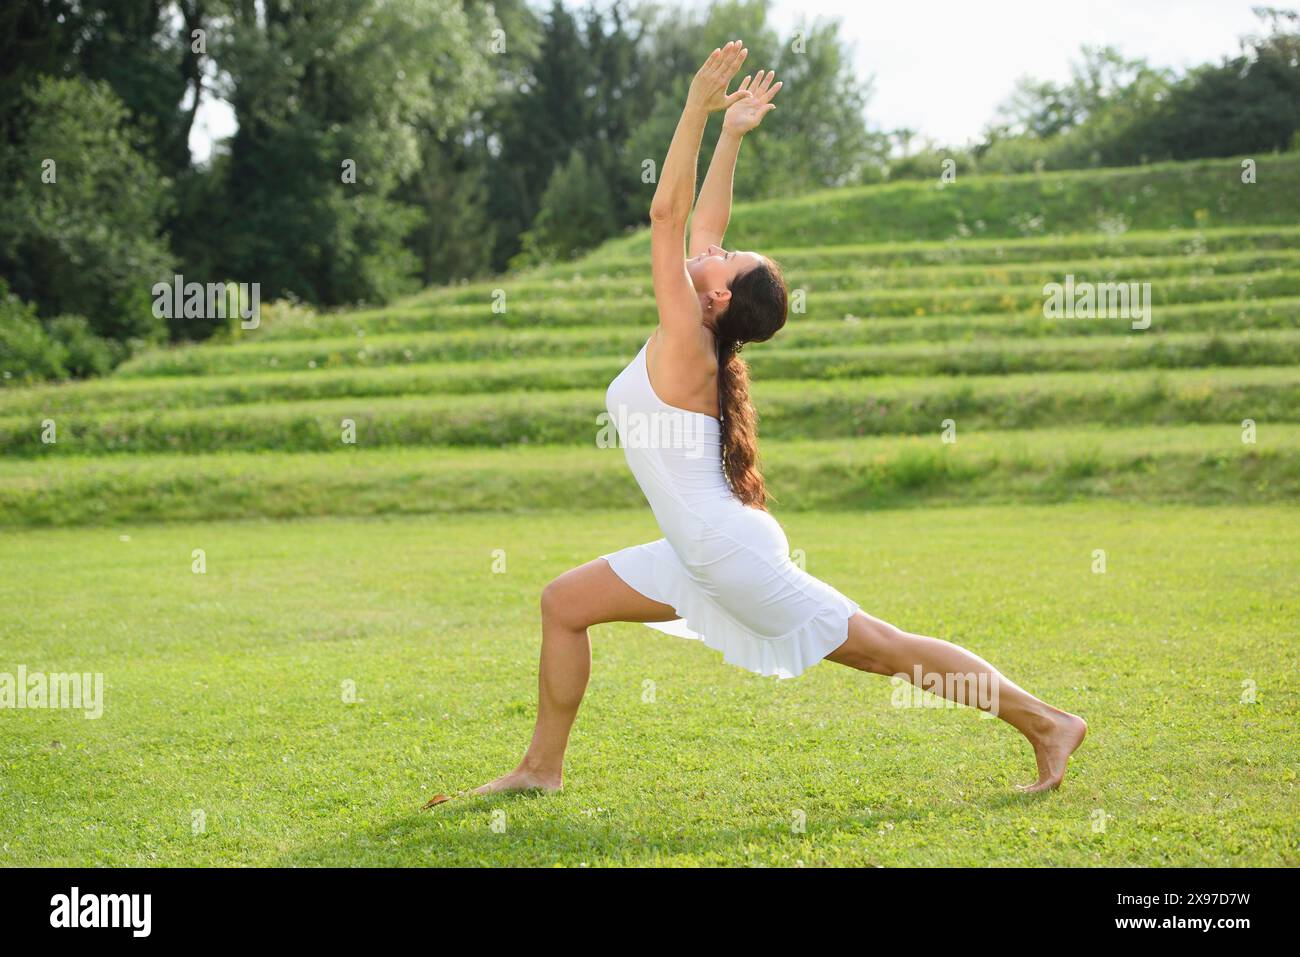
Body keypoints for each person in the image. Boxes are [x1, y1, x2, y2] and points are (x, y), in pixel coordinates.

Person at [448, 41, 1085, 805]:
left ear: (719, 298)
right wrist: (732, 134)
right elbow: (703, 223)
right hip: (698, 548)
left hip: (725, 553)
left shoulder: (688, 336)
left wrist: (695, 105)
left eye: (728, 257)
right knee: (565, 603)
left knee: (883, 650)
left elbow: (668, 214)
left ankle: (1046, 720)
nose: (713, 249)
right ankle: (540, 767)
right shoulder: (706, 325)